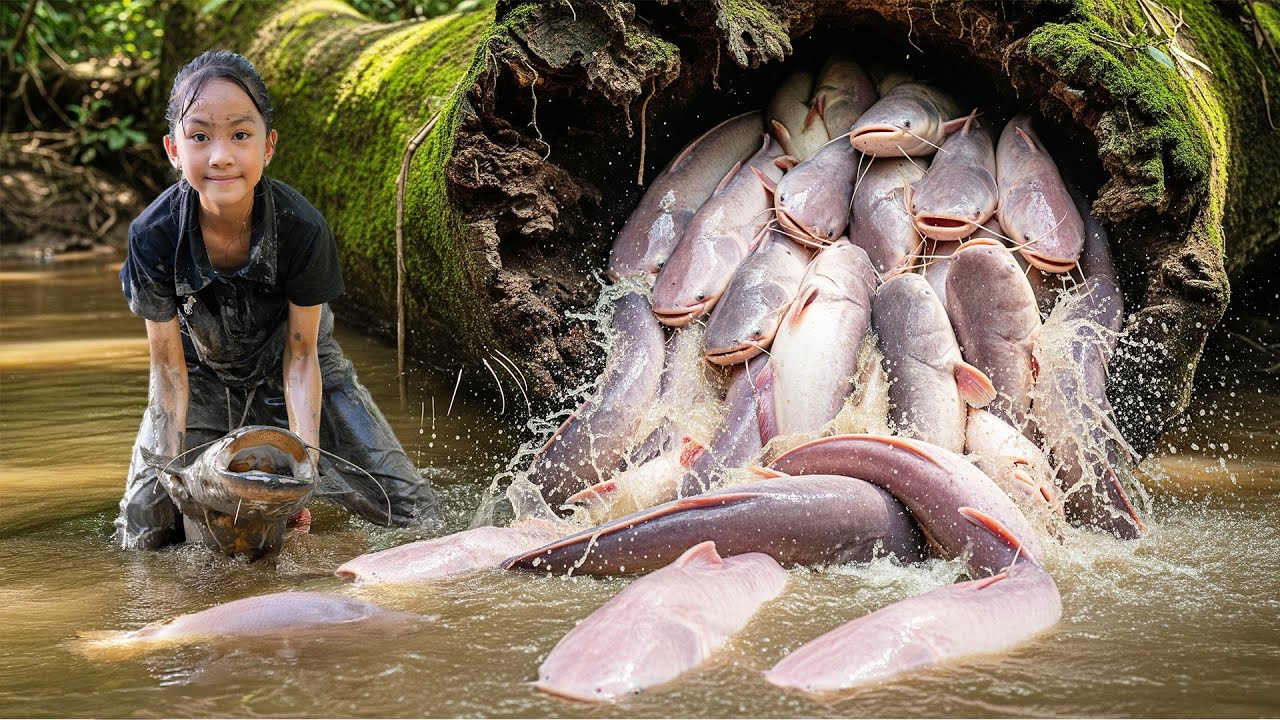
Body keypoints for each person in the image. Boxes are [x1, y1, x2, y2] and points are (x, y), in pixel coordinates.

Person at [116, 49, 440, 551]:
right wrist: (171, 477)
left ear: (267, 147)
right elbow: (169, 372)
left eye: (239, 135)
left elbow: (302, 356)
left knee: (415, 514)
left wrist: (299, 475)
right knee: (142, 536)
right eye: (199, 136)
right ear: (174, 151)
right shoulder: (152, 235)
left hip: (305, 371)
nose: (220, 155)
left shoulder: (302, 228)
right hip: (200, 377)